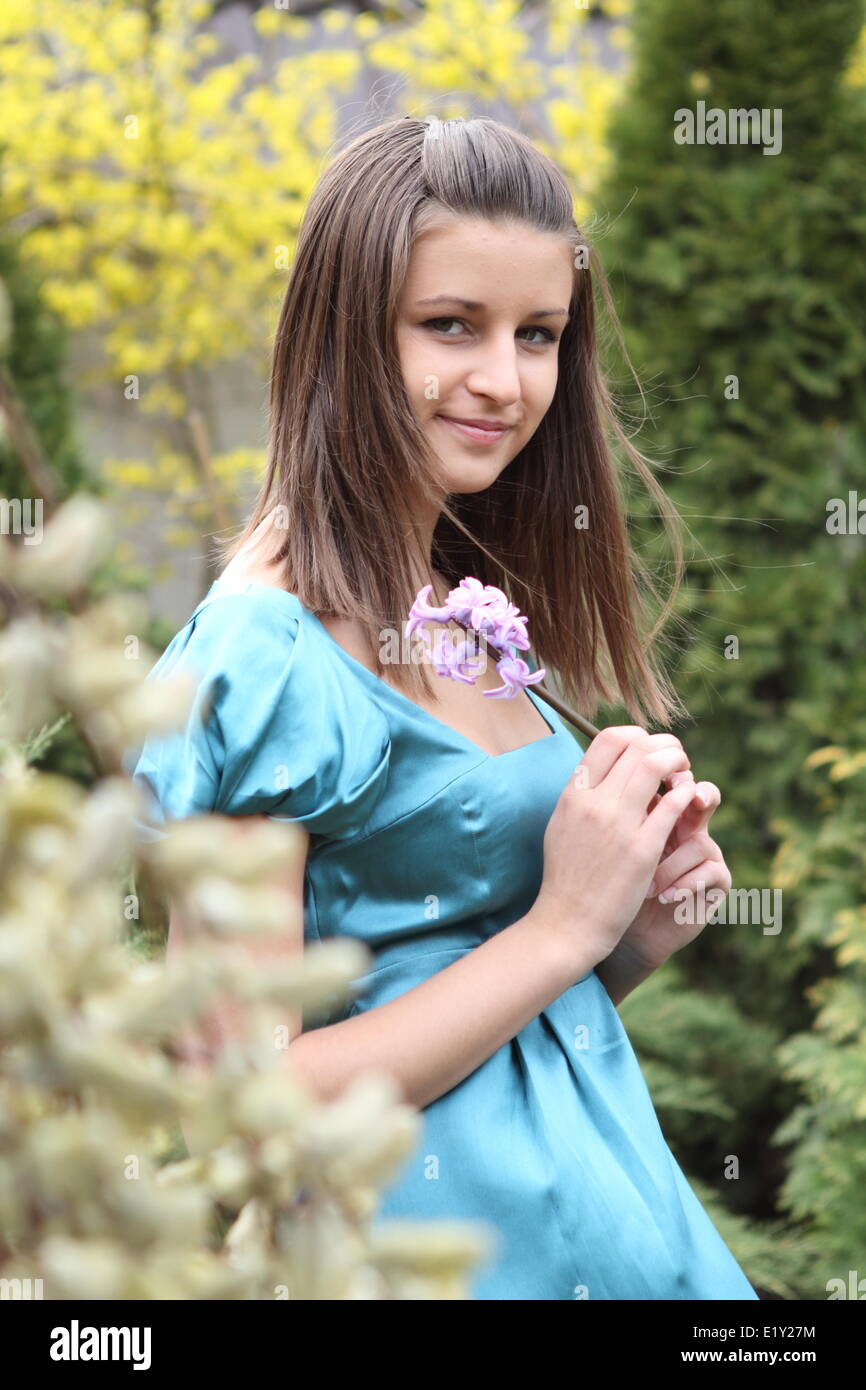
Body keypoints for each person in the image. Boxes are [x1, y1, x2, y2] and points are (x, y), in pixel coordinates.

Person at [129, 115, 759, 1301]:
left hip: (622, 1235)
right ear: (341, 329)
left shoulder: (457, 608)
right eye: (449, 325)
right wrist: (560, 926)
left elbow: (468, 996)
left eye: (539, 335)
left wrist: (627, 927)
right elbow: (238, 1106)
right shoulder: (265, 648)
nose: (504, 382)